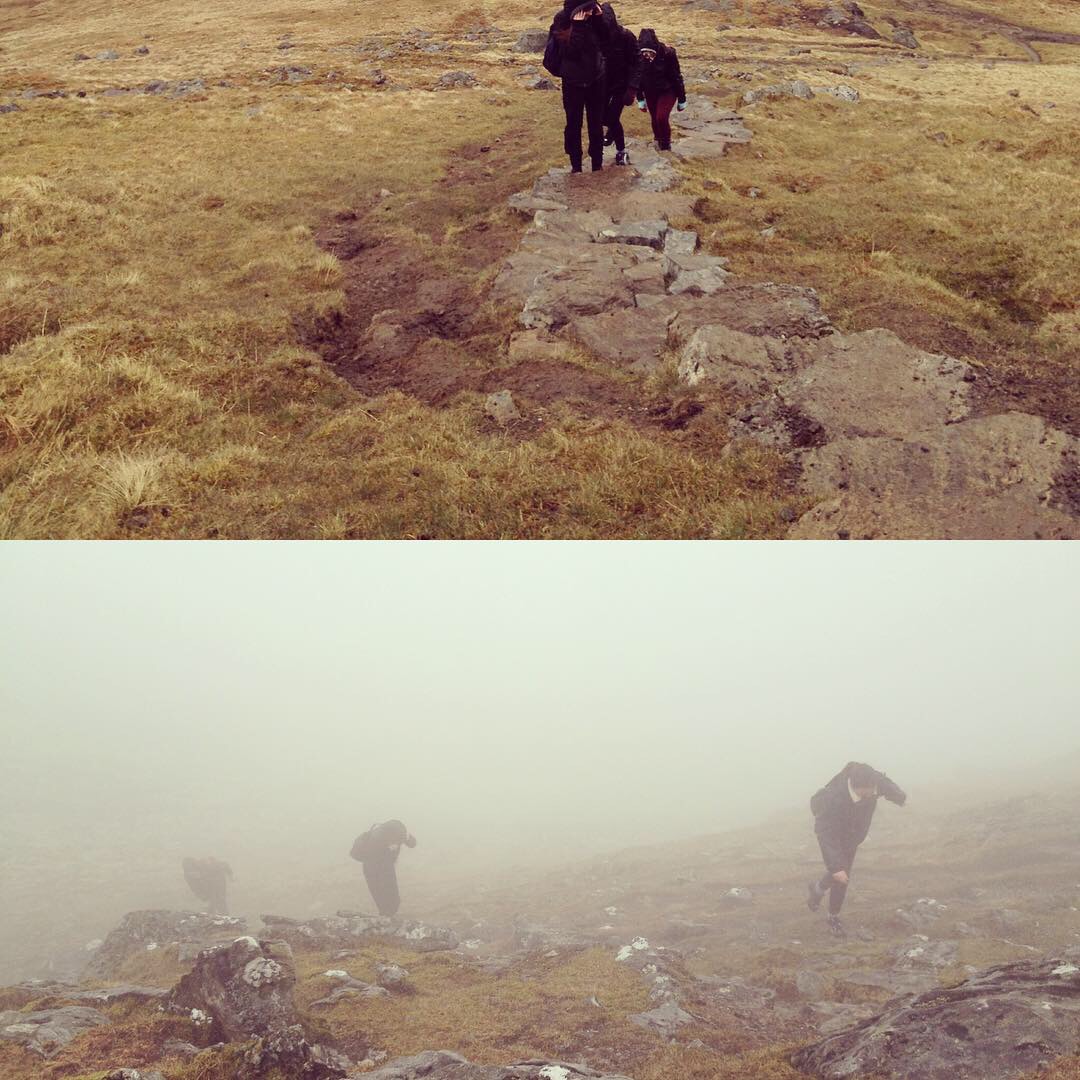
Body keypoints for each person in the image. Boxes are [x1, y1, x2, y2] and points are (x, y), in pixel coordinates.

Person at [807, 762, 907, 937]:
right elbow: (824, 832)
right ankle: (833, 917)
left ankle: (817, 889)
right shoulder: (833, 799)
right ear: (857, 788)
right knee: (841, 874)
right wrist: (836, 866)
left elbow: (884, 782)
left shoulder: (870, 780)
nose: (874, 794)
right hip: (834, 835)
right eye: (869, 792)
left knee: (842, 873)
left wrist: (898, 795)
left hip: (853, 836)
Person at [546, 0, 609, 173]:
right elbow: (570, 52)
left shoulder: (593, 18)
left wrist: (599, 19)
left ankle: (597, 163)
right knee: (574, 123)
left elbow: (606, 41)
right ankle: (576, 165)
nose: (590, 12)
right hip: (573, 82)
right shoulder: (562, 20)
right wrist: (578, 26)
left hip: (596, 80)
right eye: (587, 9)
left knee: (596, 123)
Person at [350, 819, 417, 917]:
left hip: (370, 867)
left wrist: (403, 838)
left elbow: (412, 843)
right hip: (381, 866)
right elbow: (412, 843)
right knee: (391, 900)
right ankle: (386, 919)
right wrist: (389, 848)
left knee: (381, 897)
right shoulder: (383, 836)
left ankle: (385, 917)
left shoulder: (384, 832)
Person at [599, 4, 639, 166]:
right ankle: (612, 135)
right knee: (601, 117)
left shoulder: (626, 36)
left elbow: (637, 62)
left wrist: (632, 88)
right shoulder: (597, 35)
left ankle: (621, 151)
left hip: (621, 84)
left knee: (612, 117)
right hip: (601, 83)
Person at [634, 29, 686, 152]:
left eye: (650, 52)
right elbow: (637, 77)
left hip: (668, 90)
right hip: (650, 90)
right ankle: (658, 140)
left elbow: (676, 76)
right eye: (644, 52)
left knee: (661, 117)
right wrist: (640, 99)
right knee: (654, 118)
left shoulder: (668, 54)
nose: (647, 55)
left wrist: (682, 99)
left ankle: (666, 144)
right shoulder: (638, 57)